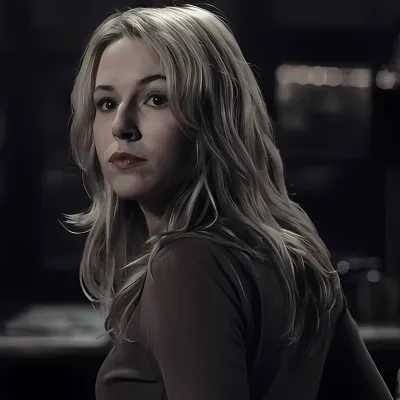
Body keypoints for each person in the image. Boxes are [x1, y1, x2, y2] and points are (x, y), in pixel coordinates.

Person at [64, 4, 393, 400]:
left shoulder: (186, 262)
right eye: (106, 103)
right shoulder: (293, 252)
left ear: (215, 116)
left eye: (156, 98)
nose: (121, 126)